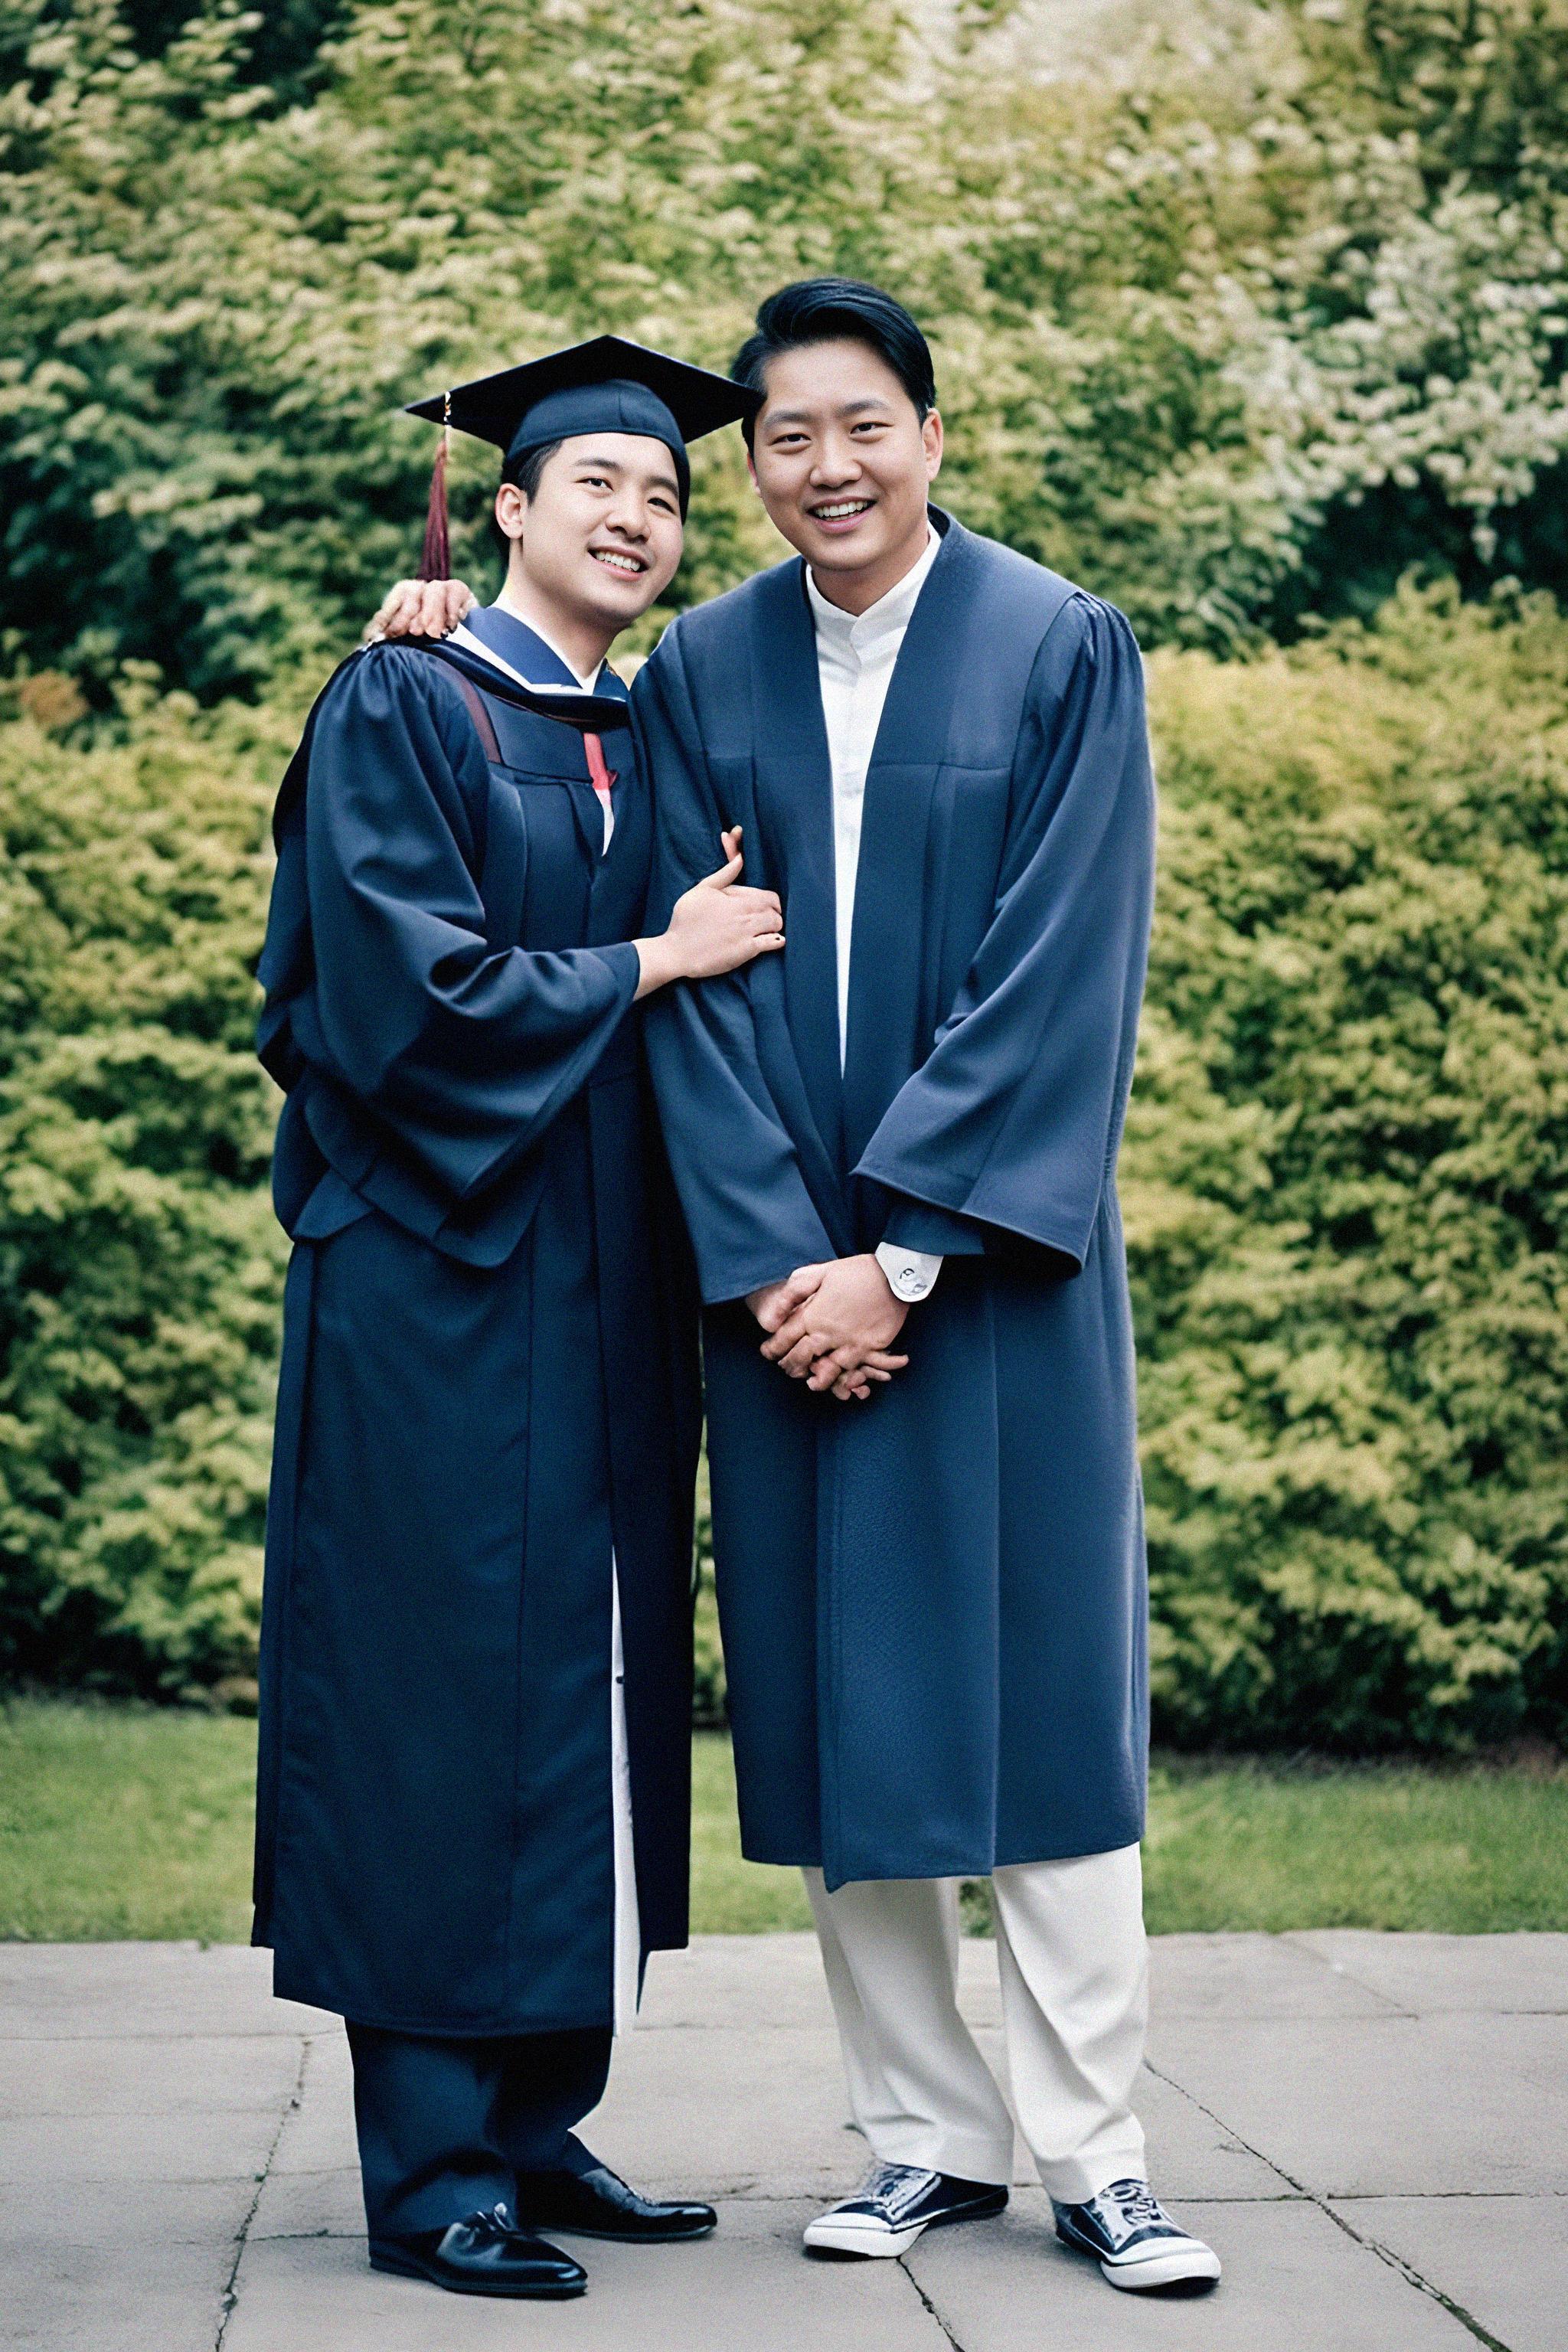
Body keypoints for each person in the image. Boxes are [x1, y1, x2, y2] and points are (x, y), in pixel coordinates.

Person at [381, 282, 1220, 2298]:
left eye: (863, 426)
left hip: (992, 1277)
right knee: (851, 1713)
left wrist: (903, 1255)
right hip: (785, 1303)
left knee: (1043, 1709)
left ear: (932, 435)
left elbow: (1062, 972)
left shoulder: (1058, 644)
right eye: (783, 437)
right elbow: (684, 972)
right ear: (751, 464)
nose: (826, 466)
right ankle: (922, 2138)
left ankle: (1098, 2155)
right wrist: (779, 1266)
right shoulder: (703, 668)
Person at [253, 336, 780, 2301]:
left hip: (608, 1282)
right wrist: (653, 955)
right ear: (509, 508)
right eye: (597, 488)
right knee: (438, 1700)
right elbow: (400, 998)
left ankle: (540, 2124)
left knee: (595, 1688)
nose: (637, 518)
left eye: (664, 495)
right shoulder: (406, 699)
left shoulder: (647, 732)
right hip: (439, 1286)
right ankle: (430, 2171)